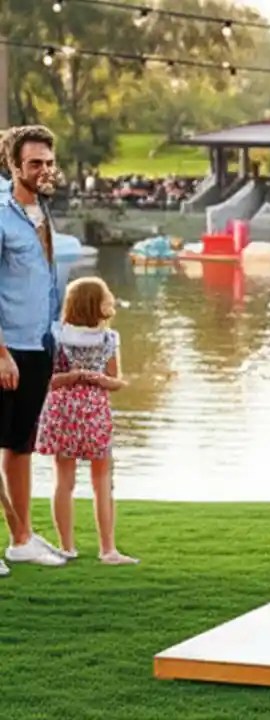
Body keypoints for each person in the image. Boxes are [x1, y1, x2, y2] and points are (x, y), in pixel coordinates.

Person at [0, 125, 67, 576]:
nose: (44, 170)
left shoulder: (42, 211)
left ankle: (20, 540)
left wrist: (54, 337)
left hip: (39, 344)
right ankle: (17, 534)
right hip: (6, 348)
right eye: (34, 164)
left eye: (48, 162)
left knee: (19, 446)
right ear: (14, 166)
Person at [35, 277, 137, 565]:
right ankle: (107, 550)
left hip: (63, 412)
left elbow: (48, 381)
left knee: (65, 481)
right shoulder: (107, 339)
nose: (111, 302)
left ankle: (68, 548)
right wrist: (97, 380)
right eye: (106, 298)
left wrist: (81, 378)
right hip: (92, 412)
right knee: (101, 480)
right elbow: (116, 382)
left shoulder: (55, 335)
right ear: (95, 305)